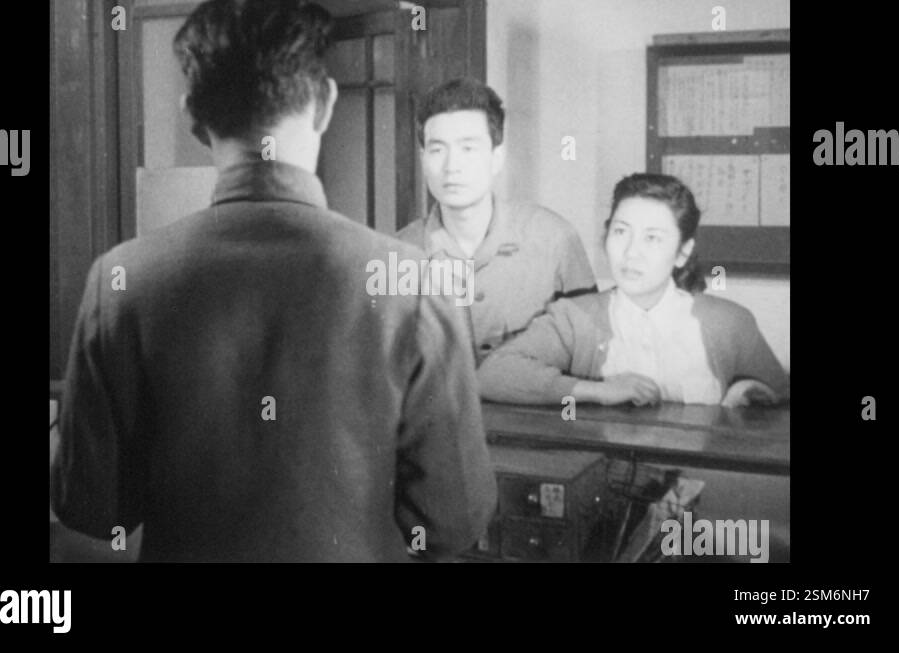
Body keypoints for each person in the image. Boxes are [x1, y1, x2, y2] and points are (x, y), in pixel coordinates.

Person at [50, 0, 496, 562]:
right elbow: (454, 519)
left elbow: (91, 505)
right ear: (325, 104)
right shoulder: (414, 283)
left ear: (192, 117)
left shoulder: (120, 281)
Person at [477, 173, 789, 407]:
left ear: (682, 252)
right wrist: (597, 390)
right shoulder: (574, 316)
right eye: (621, 232)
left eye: (652, 238)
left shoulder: (731, 323)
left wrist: (746, 390)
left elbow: (779, 396)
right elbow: (491, 376)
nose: (631, 252)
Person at [396, 78, 597, 363]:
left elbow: (588, 352)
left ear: (497, 157)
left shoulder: (555, 239)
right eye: (437, 150)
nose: (452, 167)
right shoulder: (397, 252)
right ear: (423, 158)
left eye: (468, 148)